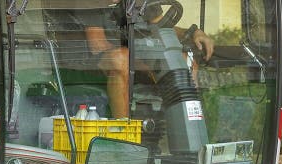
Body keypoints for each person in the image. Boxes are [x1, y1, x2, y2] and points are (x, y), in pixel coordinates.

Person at [83, 1, 214, 118]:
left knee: (185, 60)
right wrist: (143, 64)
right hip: (98, 62)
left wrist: (194, 32)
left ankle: (189, 126)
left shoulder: (142, 2)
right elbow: (97, 45)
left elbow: (164, 27)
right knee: (122, 58)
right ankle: (123, 134)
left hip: (142, 59)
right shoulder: (94, 3)